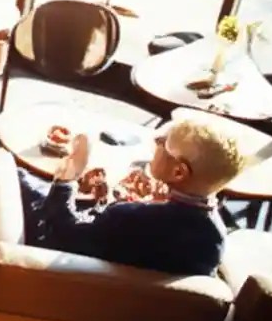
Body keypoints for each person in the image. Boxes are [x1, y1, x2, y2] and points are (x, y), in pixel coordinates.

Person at [21, 118, 246, 276]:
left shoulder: (130, 217)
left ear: (178, 172)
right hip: (130, 299)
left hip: (62, 269)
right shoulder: (214, 237)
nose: (156, 143)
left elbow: (63, 231)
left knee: (18, 177)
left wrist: (68, 175)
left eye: (163, 142)